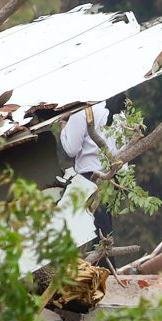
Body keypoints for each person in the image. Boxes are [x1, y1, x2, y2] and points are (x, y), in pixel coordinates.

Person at [60, 97, 117, 238]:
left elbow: (71, 149)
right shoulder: (112, 106)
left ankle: (100, 258)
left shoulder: (80, 112)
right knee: (104, 227)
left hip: (90, 176)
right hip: (112, 173)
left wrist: (63, 126)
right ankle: (104, 257)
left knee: (93, 229)